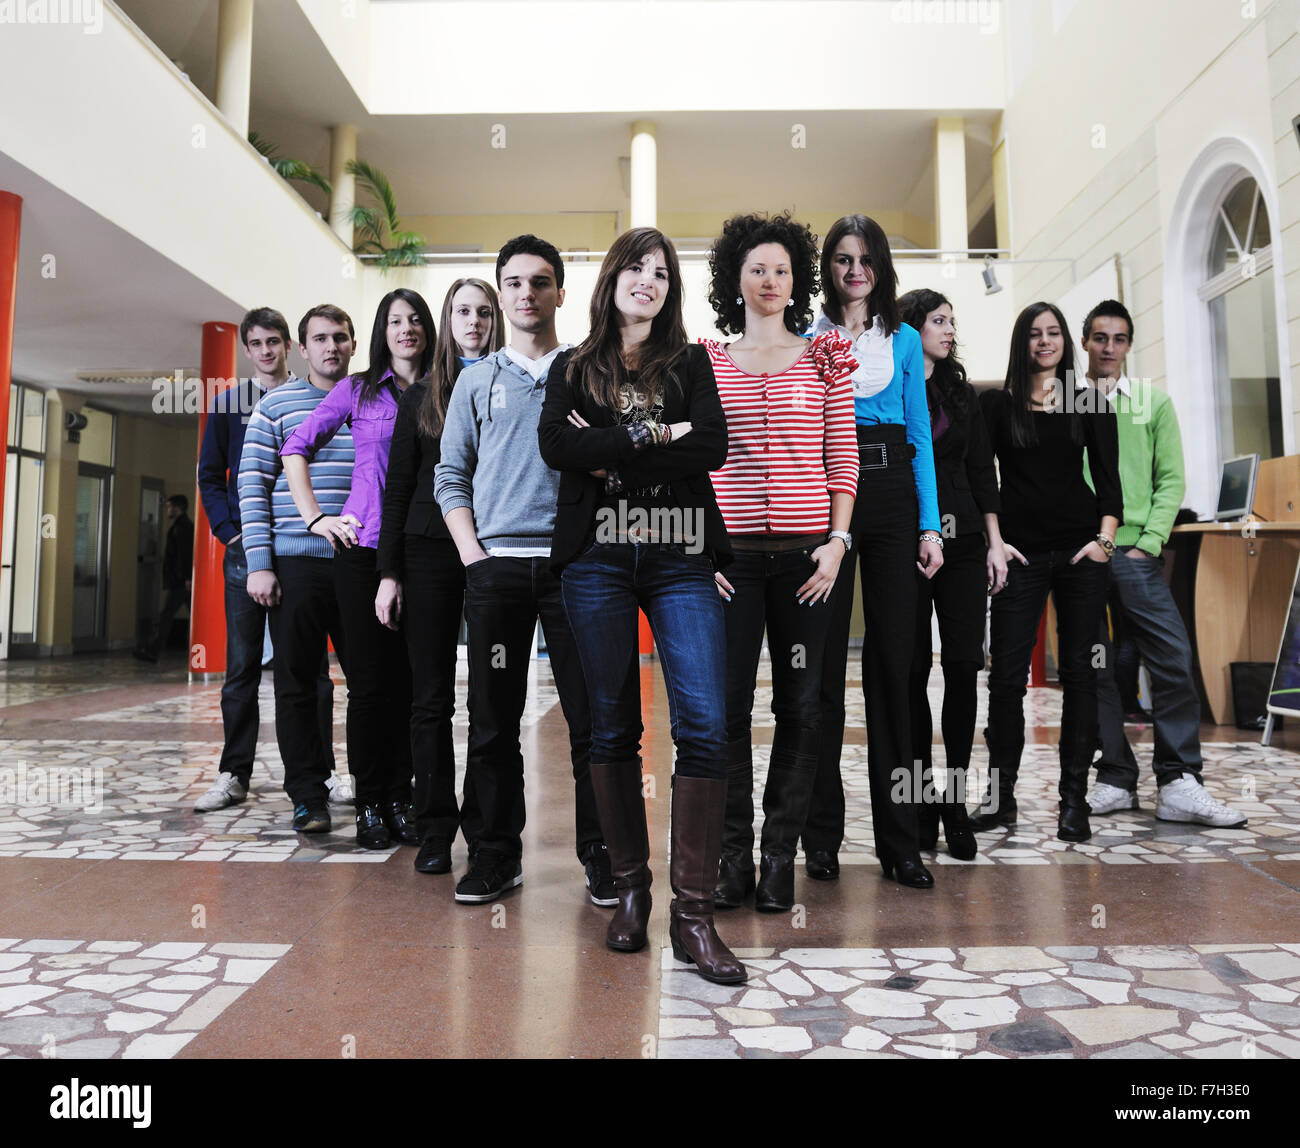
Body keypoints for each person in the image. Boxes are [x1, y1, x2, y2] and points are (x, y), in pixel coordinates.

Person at [538, 225, 745, 983]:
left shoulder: (690, 362)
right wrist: (661, 433)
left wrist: (616, 440)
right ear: (613, 279)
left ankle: (693, 918)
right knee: (609, 726)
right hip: (596, 556)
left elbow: (712, 446)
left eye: (661, 272)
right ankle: (631, 894)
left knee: (705, 721)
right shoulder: (572, 365)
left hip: (677, 549)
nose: (648, 281)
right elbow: (558, 448)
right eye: (635, 267)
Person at [434, 234, 610, 906]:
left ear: (560, 292)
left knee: (594, 724)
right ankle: (494, 856)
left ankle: (601, 857)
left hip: (576, 571)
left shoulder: (589, 373)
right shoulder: (477, 381)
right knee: (492, 721)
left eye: (540, 282)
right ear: (501, 292)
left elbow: (614, 466)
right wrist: (473, 557)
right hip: (497, 570)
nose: (525, 294)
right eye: (513, 282)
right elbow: (450, 476)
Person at [700, 212, 858, 911]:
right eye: (758, 268)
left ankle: (777, 858)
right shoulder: (705, 361)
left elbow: (842, 461)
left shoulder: (825, 357)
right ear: (736, 278)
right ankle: (732, 857)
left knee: (801, 708)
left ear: (799, 281)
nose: (770, 281)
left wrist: (837, 542)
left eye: (783, 270)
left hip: (806, 566)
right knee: (727, 711)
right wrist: (702, 552)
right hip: (731, 567)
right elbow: (694, 468)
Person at [803, 214, 943, 889]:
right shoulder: (809, 336)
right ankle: (821, 837)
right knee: (822, 669)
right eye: (842, 258)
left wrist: (929, 525)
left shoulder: (908, 341)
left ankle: (903, 841)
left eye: (865, 259)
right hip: (826, 493)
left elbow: (919, 435)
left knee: (895, 667)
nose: (854, 270)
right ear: (828, 267)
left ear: (882, 266)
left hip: (889, 492)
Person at [1079, 299, 1245, 828]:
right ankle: (1115, 778)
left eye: (1119, 339)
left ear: (1129, 345)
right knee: (1096, 667)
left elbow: (1170, 478)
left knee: (1172, 658)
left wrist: (1147, 543)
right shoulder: (1065, 403)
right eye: (1100, 337)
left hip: (1133, 551)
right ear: (1084, 341)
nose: (1109, 348)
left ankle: (1178, 780)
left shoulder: (1152, 403)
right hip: (1085, 552)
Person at [281, 290, 434, 850]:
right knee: (370, 686)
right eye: (395, 321)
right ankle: (371, 801)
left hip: (423, 550)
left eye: (415, 319)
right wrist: (316, 517)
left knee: (414, 685)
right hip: (363, 549)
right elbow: (295, 448)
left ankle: (403, 795)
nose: (406, 329)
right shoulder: (358, 389)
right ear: (382, 330)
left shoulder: (444, 388)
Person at [971, 301, 1123, 843]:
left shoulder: (1091, 403)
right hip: (1021, 554)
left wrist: (1104, 542)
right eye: (1034, 333)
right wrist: (995, 542)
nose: (1044, 341)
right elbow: (983, 483)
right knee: (1007, 677)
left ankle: (1073, 801)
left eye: (1054, 332)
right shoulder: (997, 406)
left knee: (1081, 674)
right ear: (1022, 342)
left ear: (1065, 342)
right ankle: (1000, 798)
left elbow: (1109, 486)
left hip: (1081, 554)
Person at [194, 308, 346, 813]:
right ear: (247, 349)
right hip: (248, 551)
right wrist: (233, 536)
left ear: (288, 346)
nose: (265, 350)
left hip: (305, 555)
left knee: (305, 670)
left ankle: (316, 776)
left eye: (273, 341)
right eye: (256, 343)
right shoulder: (232, 404)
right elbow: (216, 477)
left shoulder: (330, 395)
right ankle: (233, 772)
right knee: (240, 667)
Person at [376, 279, 505, 874]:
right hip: (429, 552)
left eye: (483, 311)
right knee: (430, 700)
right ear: (447, 321)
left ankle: (486, 833)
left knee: (490, 698)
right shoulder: (422, 395)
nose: (473, 321)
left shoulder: (514, 384)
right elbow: (399, 487)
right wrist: (389, 574)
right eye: (462, 311)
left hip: (495, 549)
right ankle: (434, 829)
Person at [899, 288, 1019, 860]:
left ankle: (953, 796)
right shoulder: (890, 385)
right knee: (914, 667)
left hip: (967, 541)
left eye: (952, 320)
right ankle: (921, 800)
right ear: (912, 327)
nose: (949, 330)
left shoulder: (964, 395)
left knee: (964, 665)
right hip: (909, 543)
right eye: (938, 320)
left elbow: (982, 473)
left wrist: (996, 543)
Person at [238, 304, 356, 835]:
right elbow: (252, 488)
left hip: (360, 565)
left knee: (375, 683)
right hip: (295, 563)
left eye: (341, 337)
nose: (332, 346)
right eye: (320, 339)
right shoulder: (275, 407)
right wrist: (259, 564)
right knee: (297, 685)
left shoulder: (372, 401)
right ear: (301, 349)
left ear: (353, 345)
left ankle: (375, 788)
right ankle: (308, 796)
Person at [135, 495, 194, 662]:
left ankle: (153, 650)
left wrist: (187, 578)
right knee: (177, 615)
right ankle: (153, 649)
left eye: (169, 507)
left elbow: (184, 555)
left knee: (166, 615)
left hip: (181, 582)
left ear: (177, 508)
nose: (168, 510)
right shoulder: (182, 526)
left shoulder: (182, 528)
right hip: (182, 580)